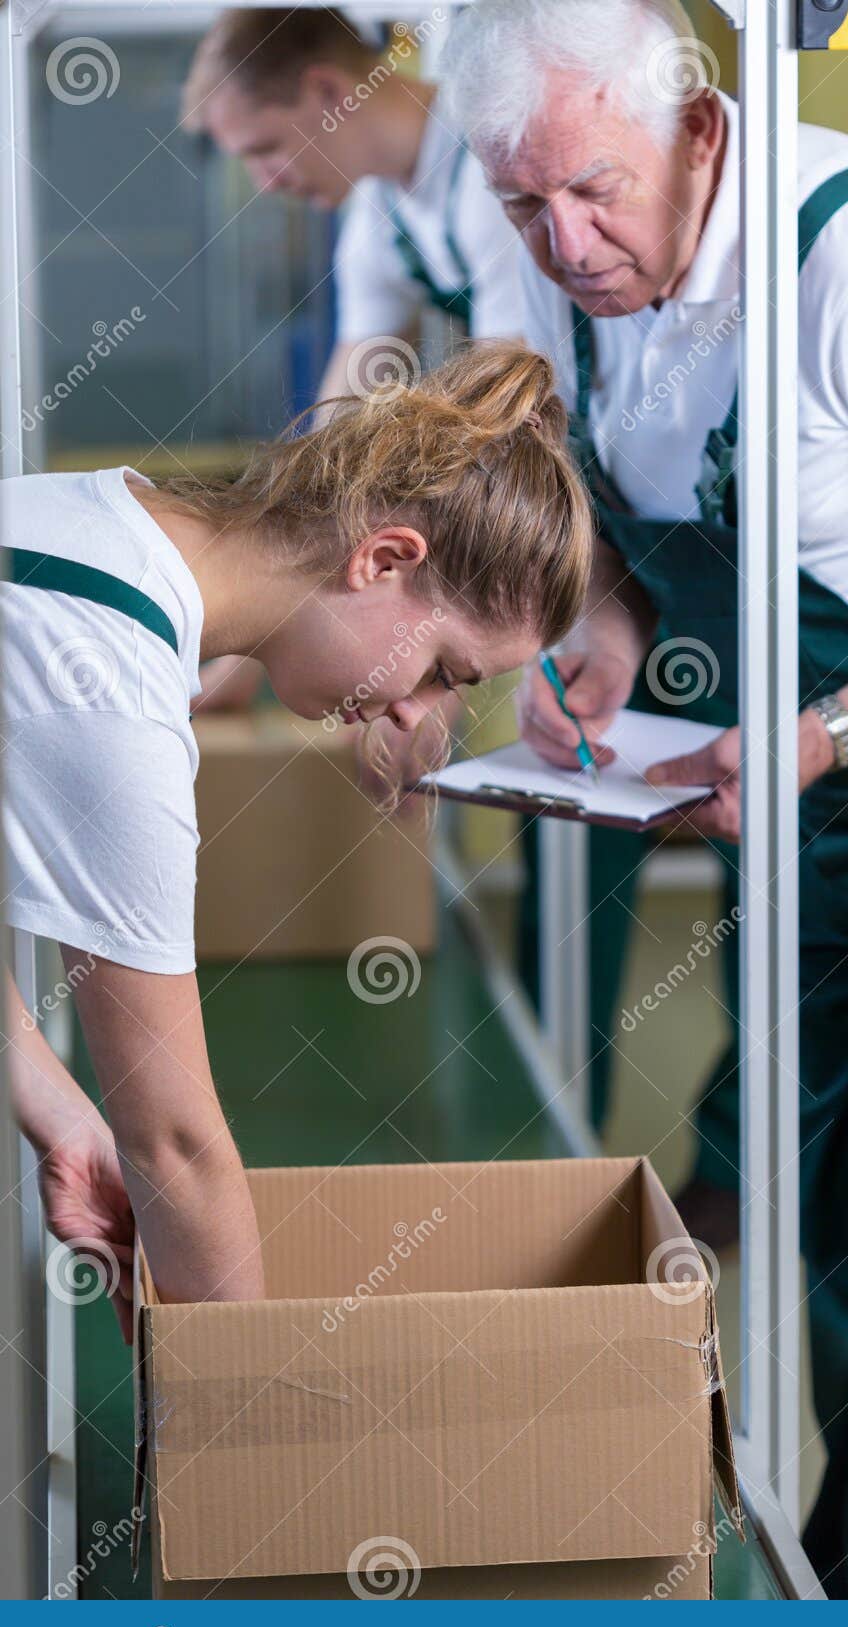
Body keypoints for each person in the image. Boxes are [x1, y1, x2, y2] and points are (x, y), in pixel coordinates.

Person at [442, 0, 848, 1599]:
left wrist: (818, 734)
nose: (562, 241)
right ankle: (833, 1572)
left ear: (700, 129)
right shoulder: (559, 249)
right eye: (521, 206)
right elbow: (627, 520)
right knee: (814, 1208)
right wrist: (598, 640)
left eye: (591, 190)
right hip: (769, 810)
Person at [2, 343, 593, 1341]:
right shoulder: (111, 692)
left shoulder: (104, 520)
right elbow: (177, 1145)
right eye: (444, 670)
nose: (417, 717)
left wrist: (57, 1109)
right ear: (383, 558)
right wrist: (262, 1431)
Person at [182, 7, 526, 719]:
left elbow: (500, 424)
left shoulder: (497, 161)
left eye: (267, 146)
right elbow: (337, 437)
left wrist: (424, 662)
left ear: (330, 92)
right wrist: (249, 632)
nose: (266, 181)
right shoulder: (381, 213)